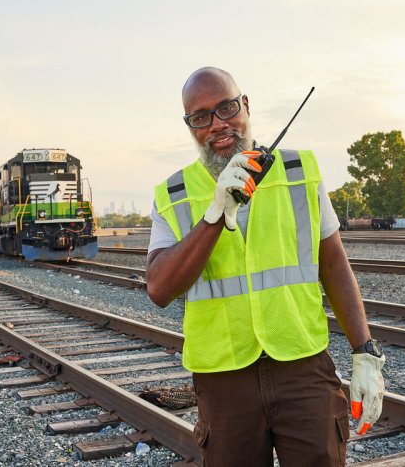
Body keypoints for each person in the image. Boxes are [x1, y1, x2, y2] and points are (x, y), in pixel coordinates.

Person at [145, 67, 387, 466]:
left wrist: (365, 352)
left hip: (302, 365)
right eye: (201, 117)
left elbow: (333, 265)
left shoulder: (298, 172)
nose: (217, 124)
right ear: (189, 125)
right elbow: (159, 289)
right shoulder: (174, 193)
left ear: (245, 105)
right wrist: (214, 215)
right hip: (223, 378)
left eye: (226, 108)